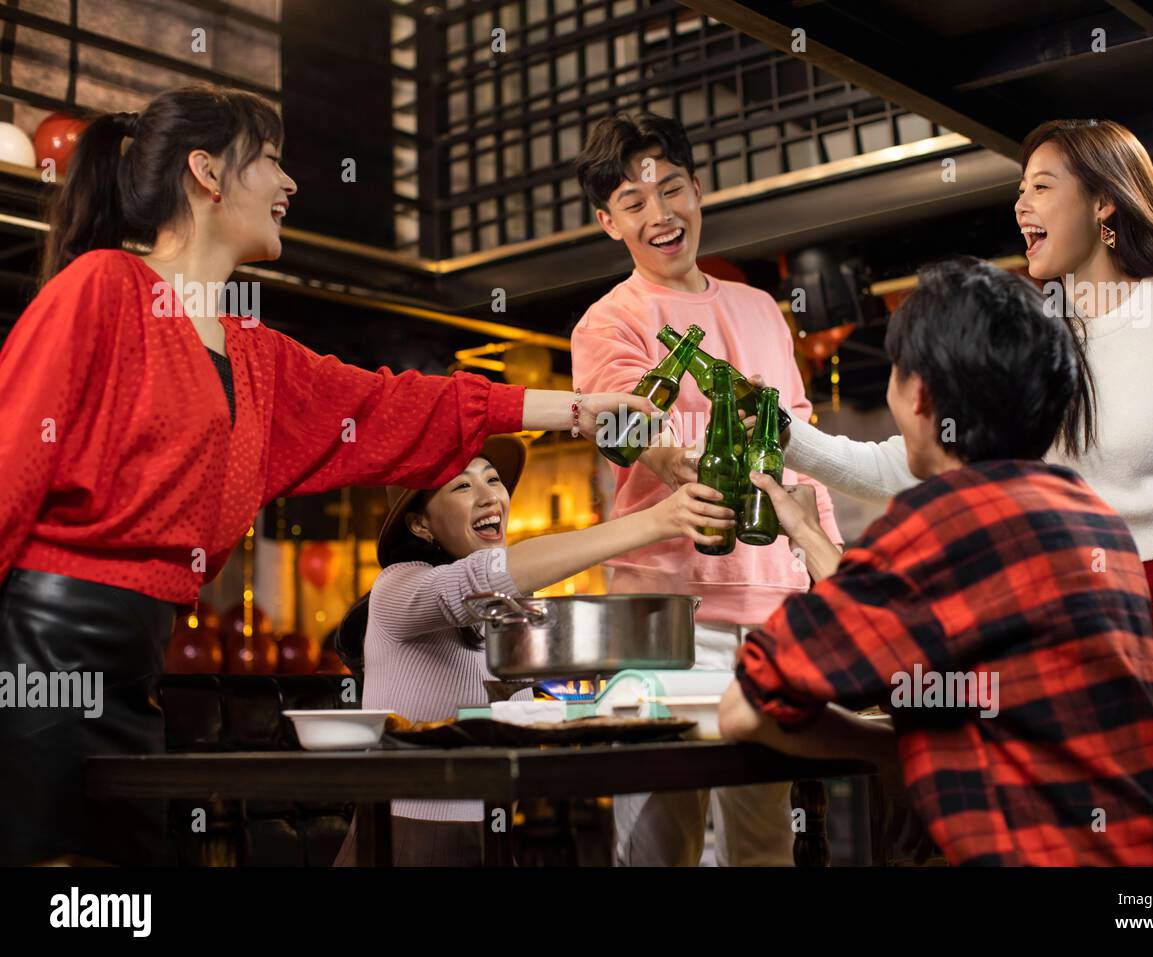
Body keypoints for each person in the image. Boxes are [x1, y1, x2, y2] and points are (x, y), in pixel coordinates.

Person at [0, 84, 654, 866]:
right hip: (42, 653)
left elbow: (392, 405)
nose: (291, 184)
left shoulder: (254, 353)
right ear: (207, 173)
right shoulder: (102, 286)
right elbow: (10, 466)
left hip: (142, 655)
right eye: (272, 161)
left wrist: (582, 410)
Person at [765, 120, 1153, 863]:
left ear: (1108, 203)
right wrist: (779, 433)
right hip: (1127, 611)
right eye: (1019, 190)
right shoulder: (1045, 342)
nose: (1021, 206)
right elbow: (921, 457)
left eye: (1042, 187)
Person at [719, 257, 1153, 866]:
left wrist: (889, 753)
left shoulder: (934, 529)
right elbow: (909, 618)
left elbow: (745, 707)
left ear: (918, 394)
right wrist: (803, 529)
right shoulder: (1092, 517)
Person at [569, 112, 843, 866]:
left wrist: (828, 564)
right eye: (633, 200)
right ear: (607, 222)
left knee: (763, 842)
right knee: (659, 845)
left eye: (673, 188)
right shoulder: (607, 323)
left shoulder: (758, 310)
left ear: (699, 189)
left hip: (773, 611)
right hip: (667, 622)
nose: (660, 214)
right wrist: (704, 459)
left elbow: (802, 449)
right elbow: (626, 431)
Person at [333, 435, 733, 865]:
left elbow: (521, 714)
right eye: (462, 486)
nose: (489, 497)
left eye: (493, 480)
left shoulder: (496, 615)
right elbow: (487, 576)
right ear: (420, 524)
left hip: (492, 833)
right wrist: (657, 521)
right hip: (411, 840)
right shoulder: (399, 587)